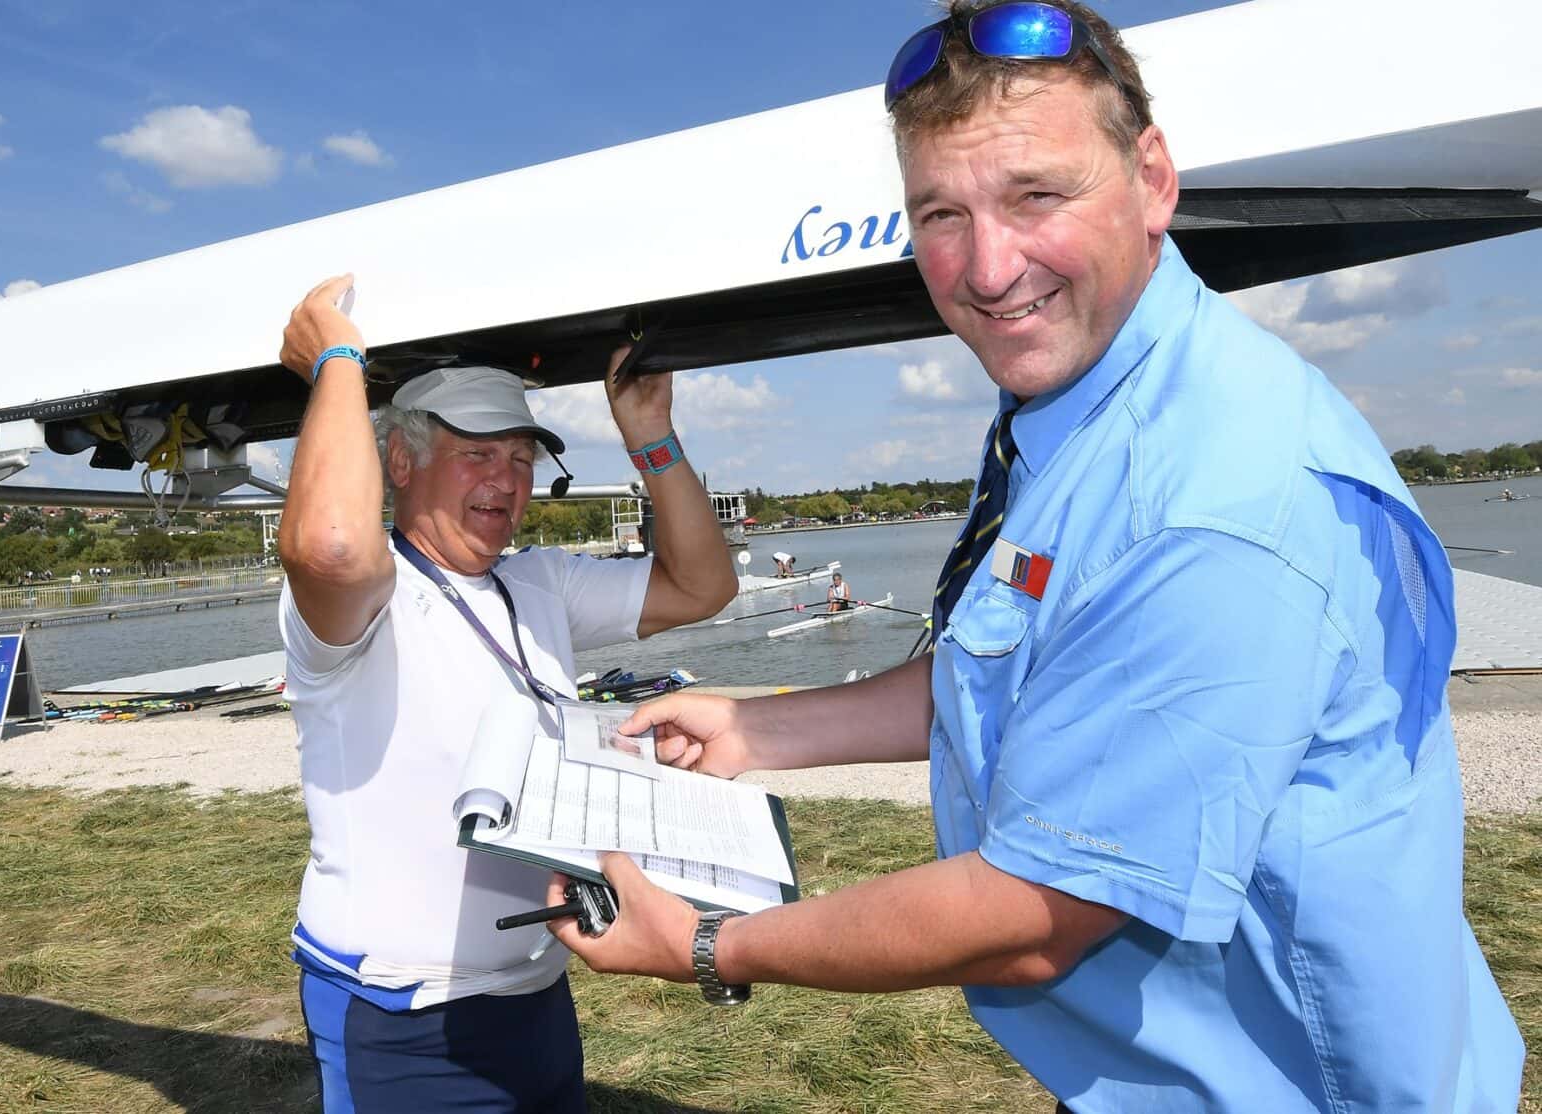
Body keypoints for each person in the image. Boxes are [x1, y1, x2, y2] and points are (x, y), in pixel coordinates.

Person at [548, 4, 1524, 1111]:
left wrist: (708, 941)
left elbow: (1035, 915)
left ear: (1152, 179)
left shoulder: (1209, 506)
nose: (987, 266)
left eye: (1036, 196)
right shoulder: (1082, 397)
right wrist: (754, 727)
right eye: (942, 214)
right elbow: (1014, 668)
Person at [275, 273, 737, 1112]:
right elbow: (334, 547)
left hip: (536, 988)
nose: (508, 478)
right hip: (398, 1007)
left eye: (522, 459)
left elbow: (705, 585)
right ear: (401, 461)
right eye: (478, 454)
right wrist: (337, 361)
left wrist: (651, 437)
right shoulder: (363, 603)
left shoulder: (539, 583)